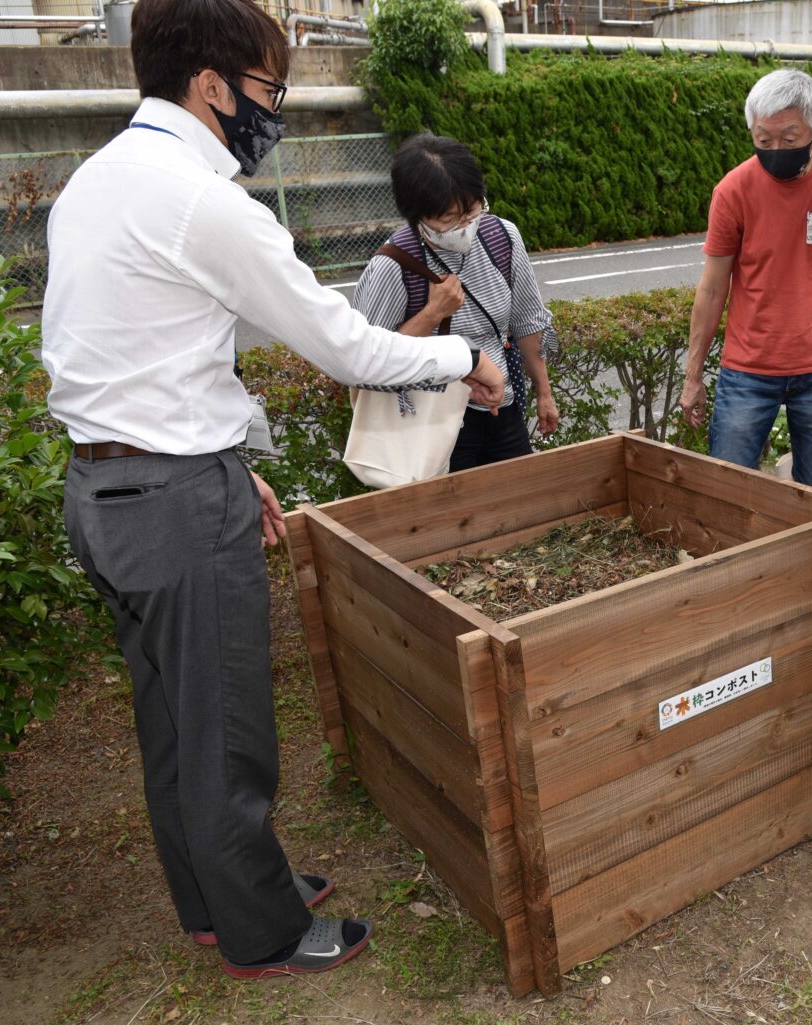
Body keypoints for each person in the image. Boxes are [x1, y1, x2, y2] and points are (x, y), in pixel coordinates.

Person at [41, 0, 502, 979]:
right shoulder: (201, 200)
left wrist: (228, 461)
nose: (275, 111)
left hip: (107, 490)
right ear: (213, 84)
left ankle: (216, 900)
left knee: (172, 720)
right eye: (270, 90)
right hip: (171, 503)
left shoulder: (98, 179)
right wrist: (463, 356)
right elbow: (340, 340)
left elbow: (134, 356)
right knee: (229, 730)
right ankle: (264, 930)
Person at [680, 69, 812, 491]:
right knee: (729, 487)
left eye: (789, 140)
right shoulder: (733, 190)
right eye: (762, 140)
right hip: (748, 369)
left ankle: (805, 558)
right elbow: (713, 288)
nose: (774, 150)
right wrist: (693, 376)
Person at [353, 134, 558, 473]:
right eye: (450, 218)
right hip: (430, 426)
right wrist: (433, 313)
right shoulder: (394, 264)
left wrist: (544, 393)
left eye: (472, 210)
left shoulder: (502, 238)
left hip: (501, 408)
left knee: (518, 506)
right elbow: (368, 359)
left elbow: (528, 323)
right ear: (417, 213)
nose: (465, 225)